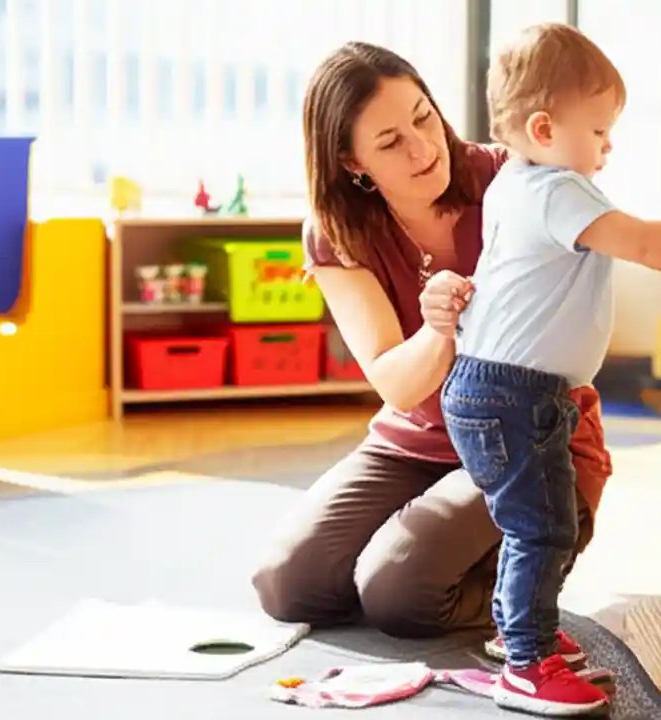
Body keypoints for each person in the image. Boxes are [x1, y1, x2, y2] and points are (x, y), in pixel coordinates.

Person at [442, 23, 661, 715]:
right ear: (543, 128)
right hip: (511, 393)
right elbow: (647, 241)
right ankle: (527, 662)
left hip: (507, 390)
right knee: (542, 528)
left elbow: (642, 243)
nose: (608, 145)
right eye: (598, 130)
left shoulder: (520, 181)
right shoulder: (555, 188)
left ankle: (523, 631)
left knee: (544, 522)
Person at [250, 41, 609, 666]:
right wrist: (439, 326)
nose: (423, 147)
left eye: (423, 116)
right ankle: (415, 568)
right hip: (414, 441)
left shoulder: (514, 177)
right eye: (389, 142)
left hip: (527, 442)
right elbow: (396, 382)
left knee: (401, 597)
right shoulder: (337, 230)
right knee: (288, 583)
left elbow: (604, 252)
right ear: (349, 161)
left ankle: (525, 582)